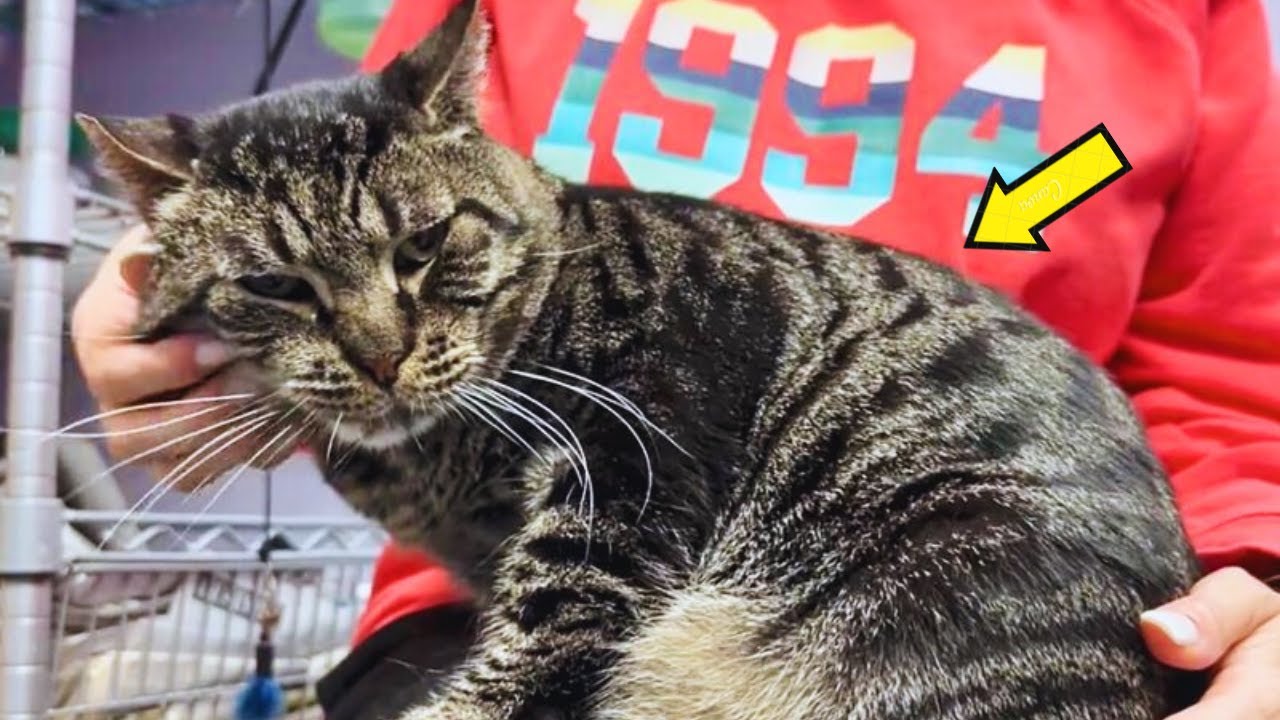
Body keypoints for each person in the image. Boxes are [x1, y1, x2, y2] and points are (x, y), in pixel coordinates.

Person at [71, 0, 1280, 718]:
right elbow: (326, 182)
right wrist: (184, 353)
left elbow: (1228, 372)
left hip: (938, 602)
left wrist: (1259, 582)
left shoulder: (1183, 17)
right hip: (492, 617)